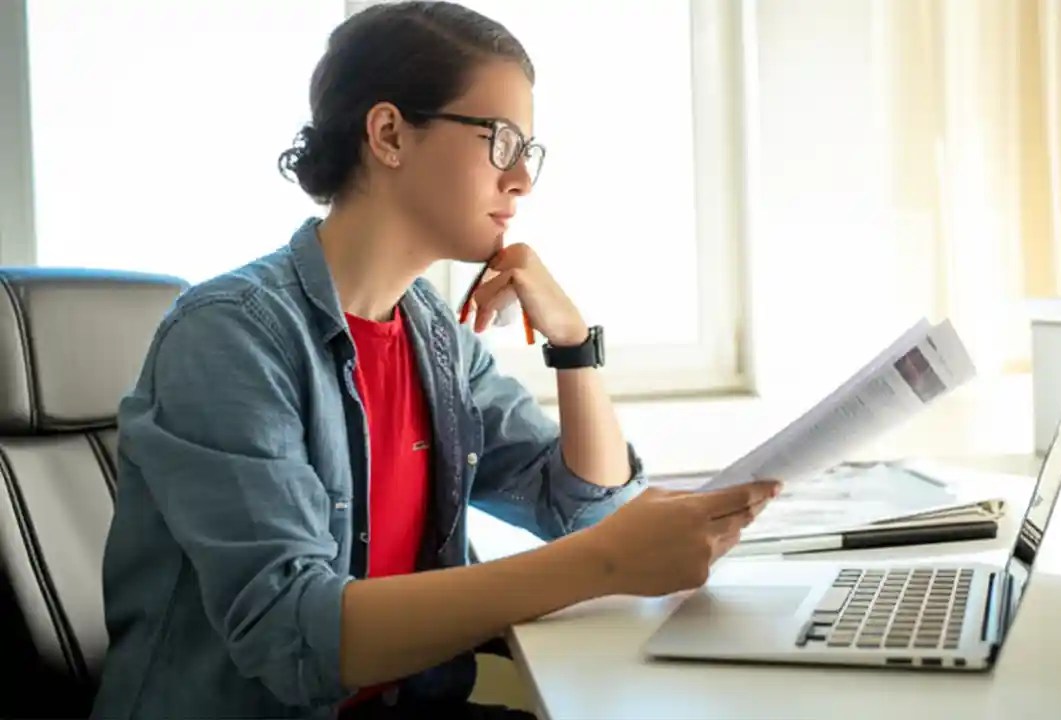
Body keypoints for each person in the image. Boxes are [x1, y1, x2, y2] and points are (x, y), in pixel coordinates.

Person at [90, 2, 778, 719]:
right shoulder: (230, 338)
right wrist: (602, 564)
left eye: (528, 152)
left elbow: (584, 510)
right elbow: (295, 633)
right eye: (501, 141)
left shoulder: (431, 335)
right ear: (389, 134)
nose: (522, 181)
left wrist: (574, 346)